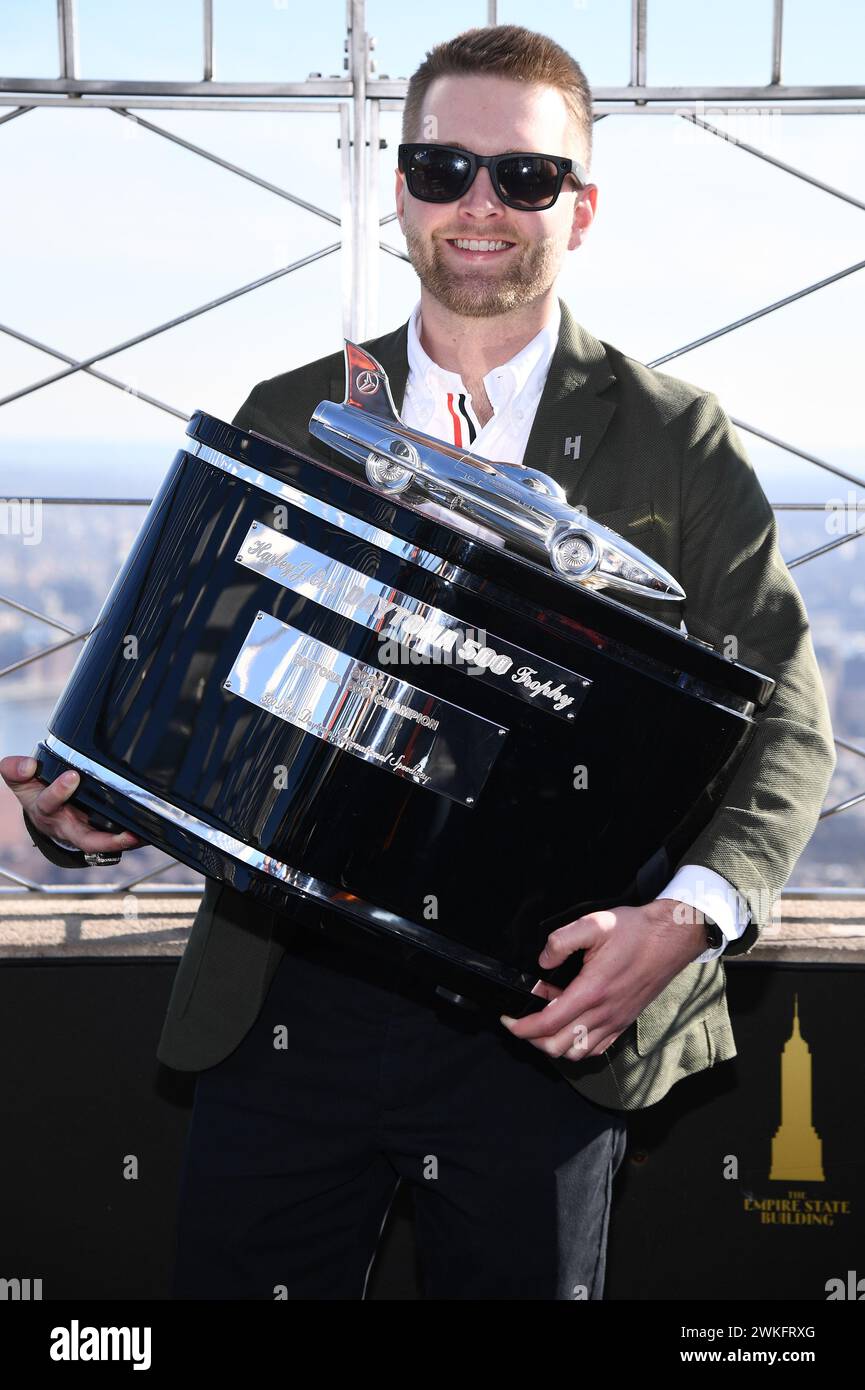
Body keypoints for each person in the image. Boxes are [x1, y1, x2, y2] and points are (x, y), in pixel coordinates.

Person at [1, 24, 836, 1299]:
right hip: (285, 999)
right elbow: (201, 694)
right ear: (399, 189)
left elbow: (786, 719)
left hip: (539, 1010)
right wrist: (89, 809)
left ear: (581, 208)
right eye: (444, 168)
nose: (479, 204)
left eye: (525, 176)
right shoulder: (292, 415)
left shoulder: (677, 441)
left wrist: (688, 917)